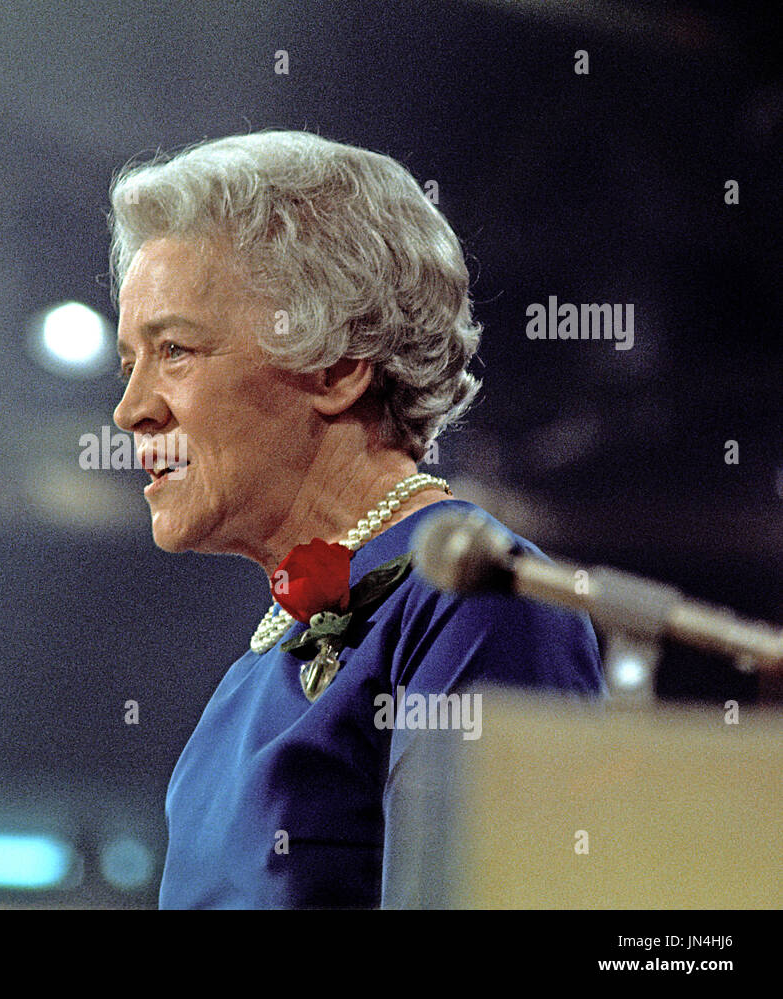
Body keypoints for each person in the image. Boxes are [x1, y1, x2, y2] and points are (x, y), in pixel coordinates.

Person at [107, 129, 605, 909]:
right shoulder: (250, 677)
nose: (132, 408)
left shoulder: (483, 602)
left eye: (174, 350)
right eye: (128, 361)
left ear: (336, 365)